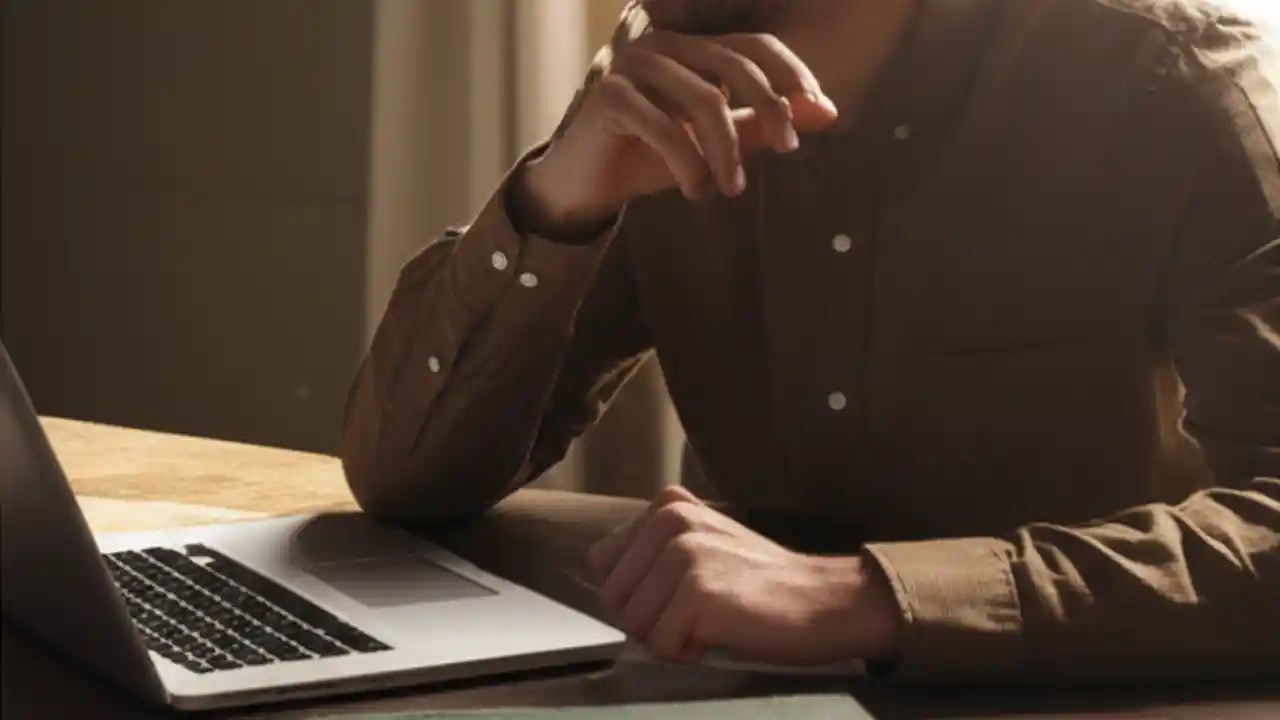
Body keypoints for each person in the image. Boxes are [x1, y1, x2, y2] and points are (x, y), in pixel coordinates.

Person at [341, 0, 1280, 681]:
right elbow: (407, 480)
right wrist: (555, 202)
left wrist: (866, 596)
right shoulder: (662, 69)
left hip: (1078, 699)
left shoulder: (1170, 81)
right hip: (732, 689)